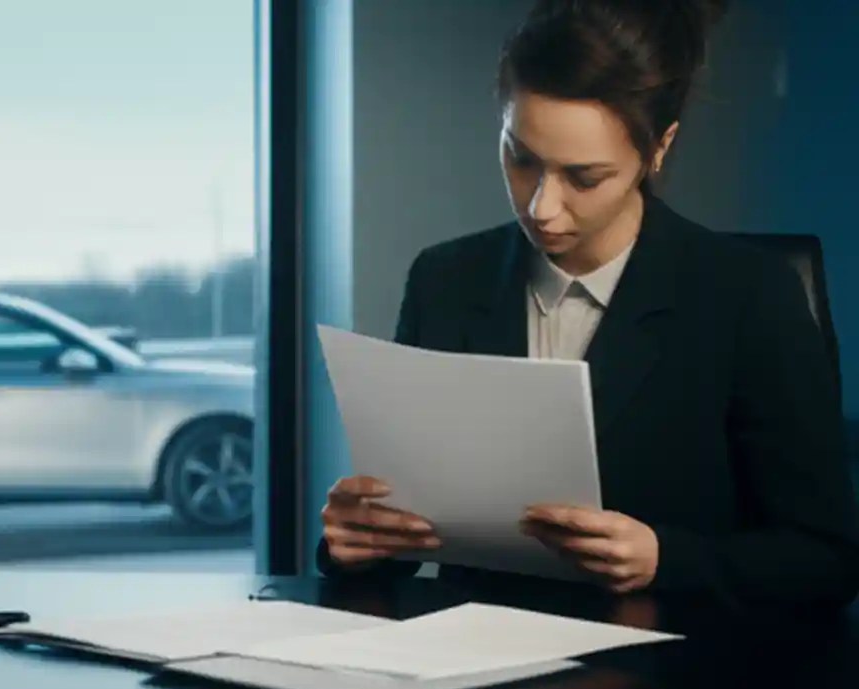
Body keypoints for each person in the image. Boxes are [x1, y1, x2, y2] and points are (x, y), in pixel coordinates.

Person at [318, 0, 859, 610]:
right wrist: (357, 540)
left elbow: (827, 559)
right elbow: (409, 536)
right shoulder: (443, 280)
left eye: (585, 177)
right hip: (474, 670)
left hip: (673, 678)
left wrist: (665, 559)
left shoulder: (750, 296)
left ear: (659, 149)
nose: (543, 207)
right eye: (521, 159)